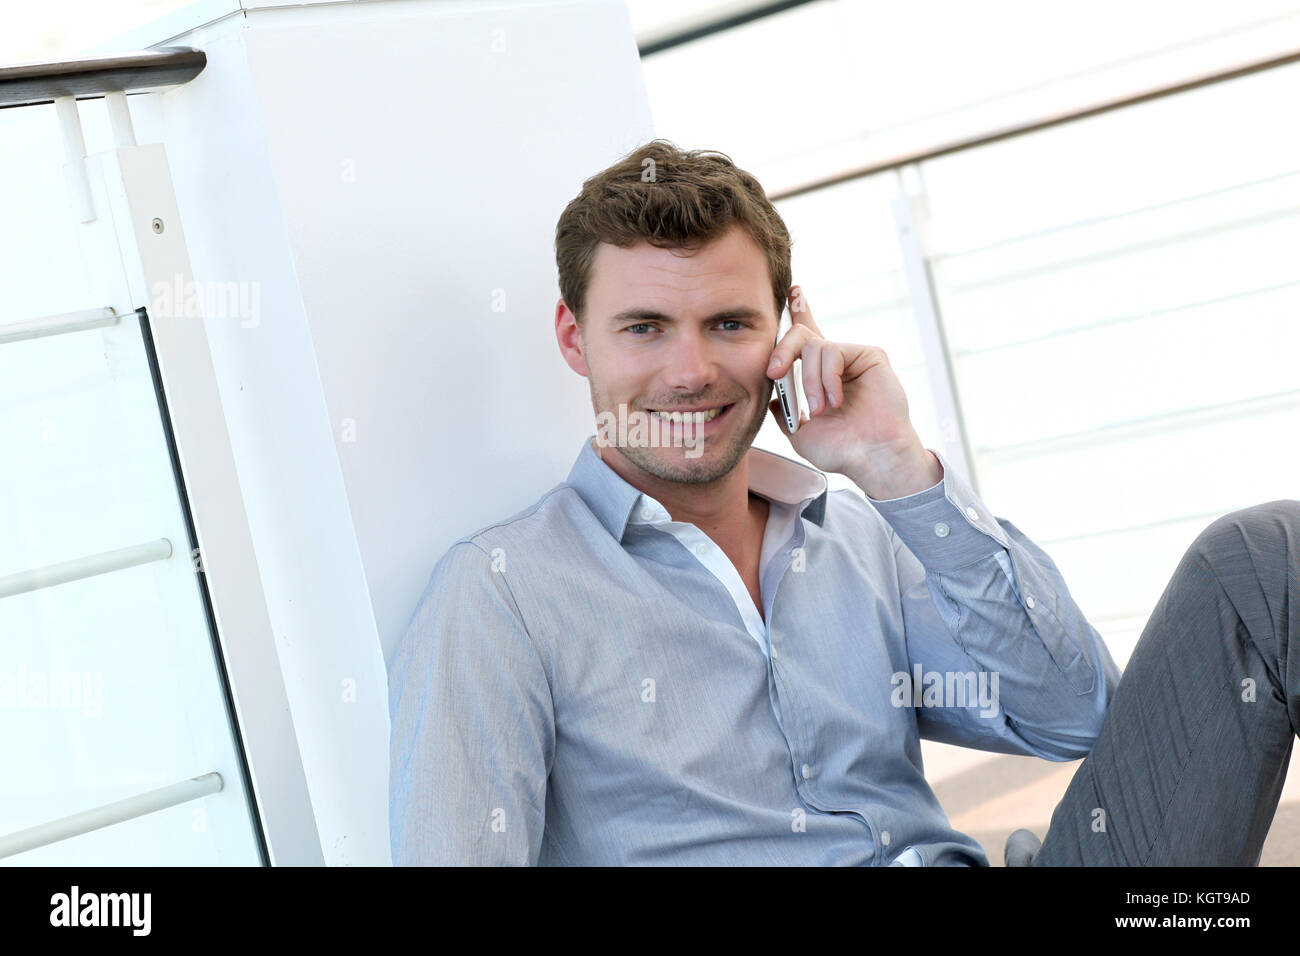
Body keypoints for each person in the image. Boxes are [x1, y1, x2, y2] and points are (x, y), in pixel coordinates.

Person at [387, 139, 1298, 866]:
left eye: (729, 324)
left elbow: (1076, 717)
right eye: (644, 329)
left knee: (1269, 561)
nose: (693, 370)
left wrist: (899, 468)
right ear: (574, 338)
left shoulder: (858, 533)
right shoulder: (502, 594)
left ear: (785, 330)